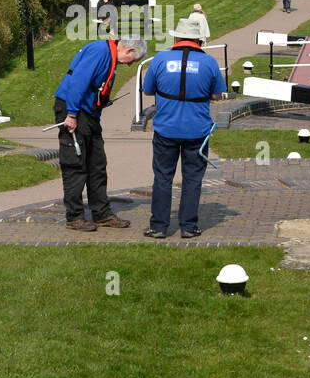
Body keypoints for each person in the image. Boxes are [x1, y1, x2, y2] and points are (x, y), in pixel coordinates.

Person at [140, 14, 228, 238]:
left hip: (165, 128)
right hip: (197, 130)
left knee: (162, 178)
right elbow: (218, 94)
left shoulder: (160, 59)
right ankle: (188, 227)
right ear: (198, 40)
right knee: (192, 179)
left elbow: (148, 90)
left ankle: (158, 226)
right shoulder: (209, 62)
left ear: (177, 37)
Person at [53, 35, 147, 231]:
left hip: (89, 113)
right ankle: (74, 216)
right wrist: (71, 114)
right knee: (75, 164)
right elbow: (78, 81)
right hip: (74, 109)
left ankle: (102, 213)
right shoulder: (100, 51)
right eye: (134, 61)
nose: (130, 66)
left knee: (97, 163)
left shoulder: (110, 54)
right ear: (129, 51)